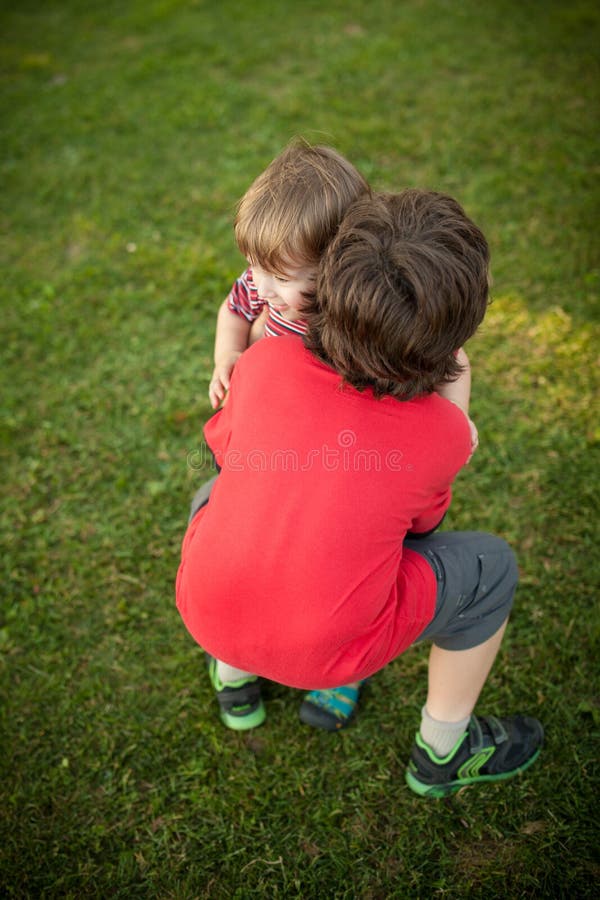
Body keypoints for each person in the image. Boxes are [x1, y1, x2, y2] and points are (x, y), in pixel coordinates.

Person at [176, 188, 543, 797]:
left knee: (217, 497)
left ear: (329, 285)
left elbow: (229, 456)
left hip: (205, 607)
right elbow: (419, 531)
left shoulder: (261, 365)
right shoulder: (443, 435)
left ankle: (233, 671)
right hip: (330, 647)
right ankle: (443, 752)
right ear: (457, 335)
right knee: (492, 569)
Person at [204, 140, 477, 732]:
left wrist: (456, 425)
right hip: (264, 434)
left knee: (346, 531)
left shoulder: (365, 314)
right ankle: (236, 664)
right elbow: (235, 309)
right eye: (257, 268)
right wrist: (229, 357)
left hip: (343, 449)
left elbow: (449, 359)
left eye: (285, 279)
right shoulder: (269, 286)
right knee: (256, 524)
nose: (264, 289)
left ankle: (327, 669)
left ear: (338, 269)